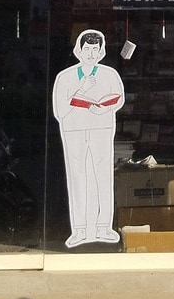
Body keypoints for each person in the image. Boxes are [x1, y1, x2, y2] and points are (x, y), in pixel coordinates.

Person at [52, 29, 126, 248]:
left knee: (103, 176)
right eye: (87, 49)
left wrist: (104, 109)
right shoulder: (65, 77)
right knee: (77, 177)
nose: (91, 54)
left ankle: (103, 226)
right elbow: (59, 110)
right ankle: (80, 229)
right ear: (79, 50)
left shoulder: (109, 74)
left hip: (101, 129)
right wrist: (81, 89)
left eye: (95, 49)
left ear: (101, 51)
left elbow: (119, 99)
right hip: (74, 131)